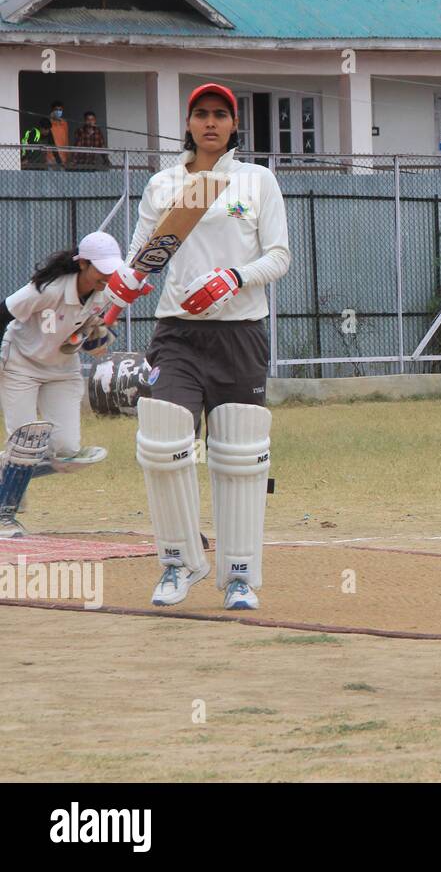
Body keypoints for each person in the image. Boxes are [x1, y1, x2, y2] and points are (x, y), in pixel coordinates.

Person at [123, 82, 290, 610]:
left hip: (240, 332)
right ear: (189, 123)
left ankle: (239, 575)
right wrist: (124, 283)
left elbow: (279, 256)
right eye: (201, 115)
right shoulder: (164, 183)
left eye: (221, 114)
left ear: (234, 125)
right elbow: (143, 254)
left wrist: (233, 278)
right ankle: (178, 563)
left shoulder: (255, 180)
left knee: (239, 451)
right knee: (162, 436)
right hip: (177, 331)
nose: (211, 123)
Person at [0, 232, 120, 535]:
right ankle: (5, 515)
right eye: (100, 268)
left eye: (111, 268)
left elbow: (92, 340)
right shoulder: (46, 289)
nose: (106, 275)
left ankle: (8, 469)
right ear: (82, 264)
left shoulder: (103, 295)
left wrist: (97, 338)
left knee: (68, 454)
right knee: (24, 441)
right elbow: (2, 313)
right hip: (20, 365)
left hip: (62, 371)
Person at [47, 102, 70, 169]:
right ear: (52, 111)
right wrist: (51, 118)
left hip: (63, 157)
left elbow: (66, 140)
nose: (58, 112)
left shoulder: (64, 123)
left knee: (61, 178)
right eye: (56, 110)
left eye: (60, 110)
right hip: (50, 157)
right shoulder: (49, 123)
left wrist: (68, 155)